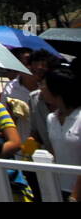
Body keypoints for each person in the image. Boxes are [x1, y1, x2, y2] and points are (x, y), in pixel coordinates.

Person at [40, 67, 80, 200]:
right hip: (58, 189)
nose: (41, 88)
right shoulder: (51, 118)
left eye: (43, 85)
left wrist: (74, 196)